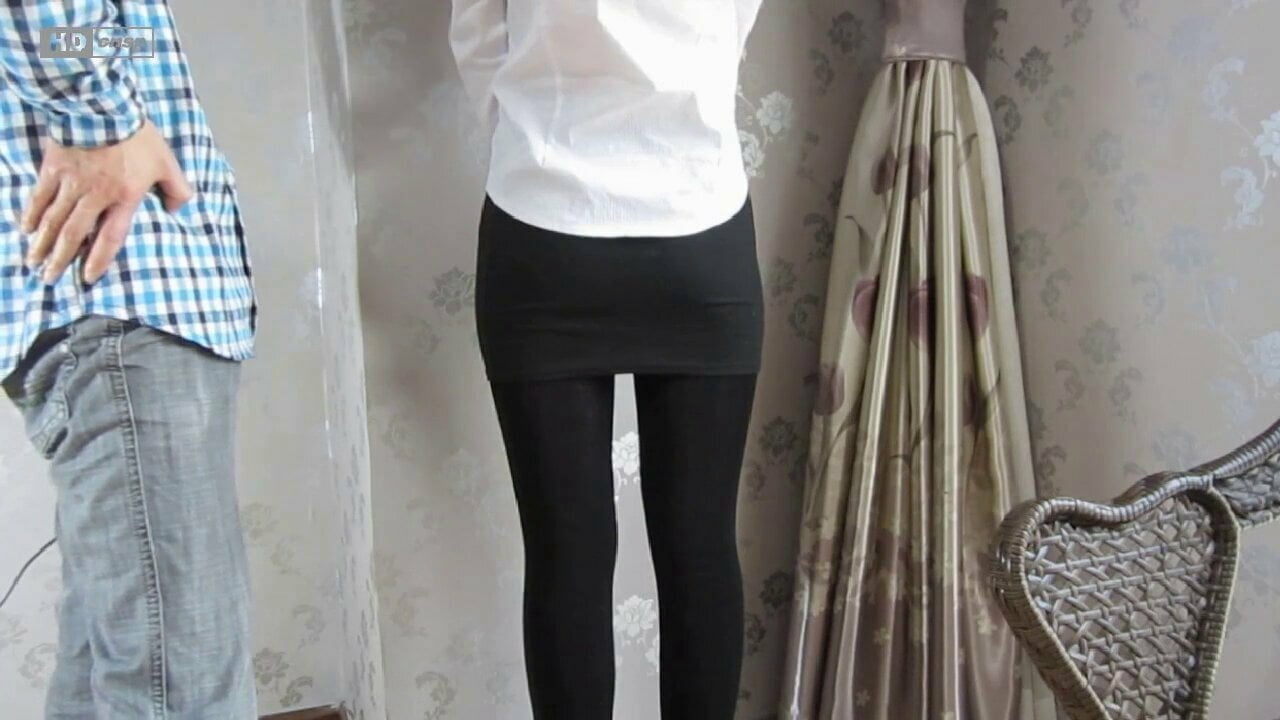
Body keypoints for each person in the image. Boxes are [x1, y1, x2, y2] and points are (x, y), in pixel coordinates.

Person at [450, 1, 766, 718]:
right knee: (699, 543)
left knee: (566, 550)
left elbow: (476, 34)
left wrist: (534, 134)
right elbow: (736, 23)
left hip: (542, 219)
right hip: (699, 218)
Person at [0, 2, 257, 718]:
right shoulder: (92, 106)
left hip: (120, 304)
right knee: (183, 683)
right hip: (120, 294)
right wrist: (104, 120)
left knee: (117, 668)